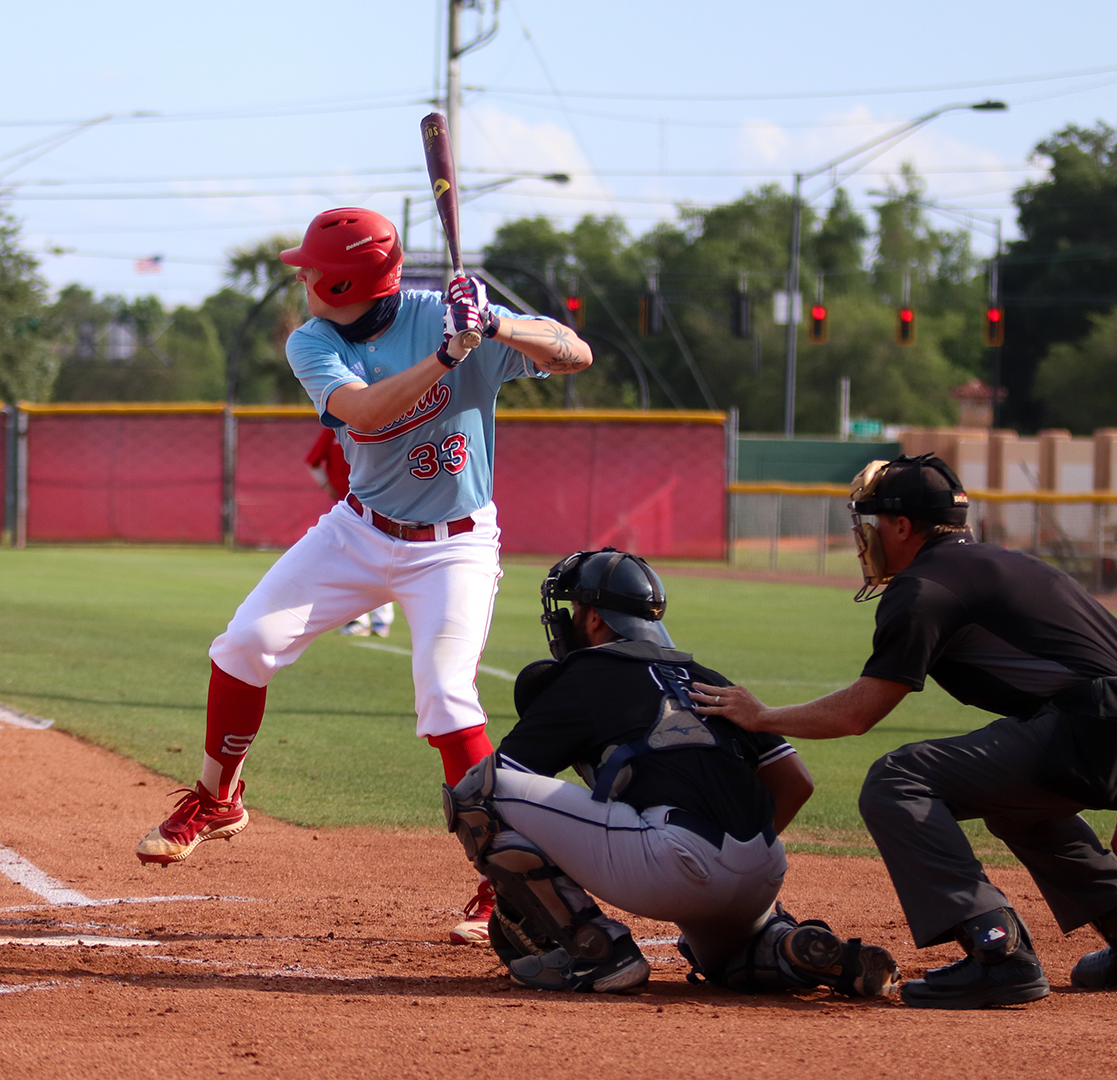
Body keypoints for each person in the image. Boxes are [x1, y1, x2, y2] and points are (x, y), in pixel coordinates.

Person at [134, 206, 592, 947]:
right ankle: (218, 801)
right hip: (360, 527)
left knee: (446, 699)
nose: (303, 279)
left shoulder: (448, 312)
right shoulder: (311, 341)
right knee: (244, 644)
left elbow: (576, 353)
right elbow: (368, 419)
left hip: (454, 545)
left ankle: (505, 882)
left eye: (311, 269)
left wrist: (500, 327)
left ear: (344, 279)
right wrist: (449, 357)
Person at [692, 454, 1117, 1010]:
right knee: (1018, 803)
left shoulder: (922, 586)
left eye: (871, 524)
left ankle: (998, 951)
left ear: (901, 526)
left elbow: (857, 715)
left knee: (897, 780)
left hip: (1104, 732)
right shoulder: (1014, 564)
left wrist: (762, 716)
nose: (865, 538)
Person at [443, 548, 900, 996]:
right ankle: (783, 941)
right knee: (724, 960)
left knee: (477, 792)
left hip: (673, 863)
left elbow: (502, 778)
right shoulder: (705, 676)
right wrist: (729, 851)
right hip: (762, 871)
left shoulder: (586, 673)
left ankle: (597, 950)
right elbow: (796, 782)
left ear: (596, 619)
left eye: (575, 608)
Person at [303, 426, 395, 637]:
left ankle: (378, 621)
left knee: (377, 561)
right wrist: (327, 485)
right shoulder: (334, 428)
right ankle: (360, 619)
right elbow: (313, 461)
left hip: (377, 506)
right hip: (347, 509)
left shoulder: (379, 421)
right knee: (353, 562)